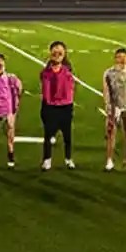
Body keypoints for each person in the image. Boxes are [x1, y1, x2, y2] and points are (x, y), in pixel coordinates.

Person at [102, 48, 126, 173]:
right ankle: (109, 159)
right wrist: (110, 108)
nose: (122, 59)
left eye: (124, 57)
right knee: (111, 133)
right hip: (115, 107)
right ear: (115, 58)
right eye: (119, 57)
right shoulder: (108, 73)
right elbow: (107, 92)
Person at [40, 41, 76, 171]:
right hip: (51, 107)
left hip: (65, 106)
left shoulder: (67, 71)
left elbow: (70, 89)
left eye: (60, 51)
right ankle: (47, 159)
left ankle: (68, 158)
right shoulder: (46, 72)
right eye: (55, 51)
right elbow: (46, 92)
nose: (57, 53)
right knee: (48, 135)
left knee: (67, 135)